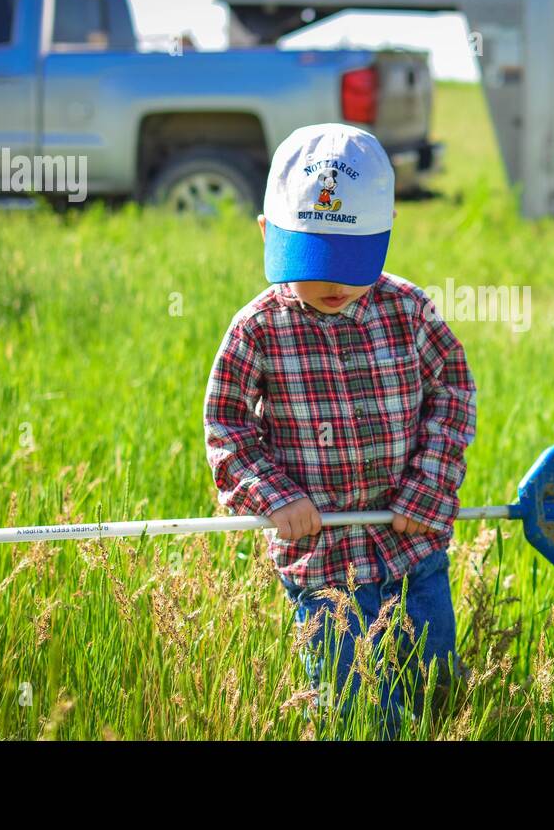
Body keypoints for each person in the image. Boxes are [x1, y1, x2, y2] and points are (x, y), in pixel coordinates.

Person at [203, 122, 477, 737]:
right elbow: (226, 424)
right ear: (267, 234)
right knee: (352, 711)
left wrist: (430, 486)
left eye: (349, 263)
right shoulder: (258, 330)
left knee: (433, 696)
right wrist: (276, 496)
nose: (332, 283)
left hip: (410, 547)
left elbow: (454, 391)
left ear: (384, 236)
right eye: (312, 261)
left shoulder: (408, 310)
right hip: (321, 561)